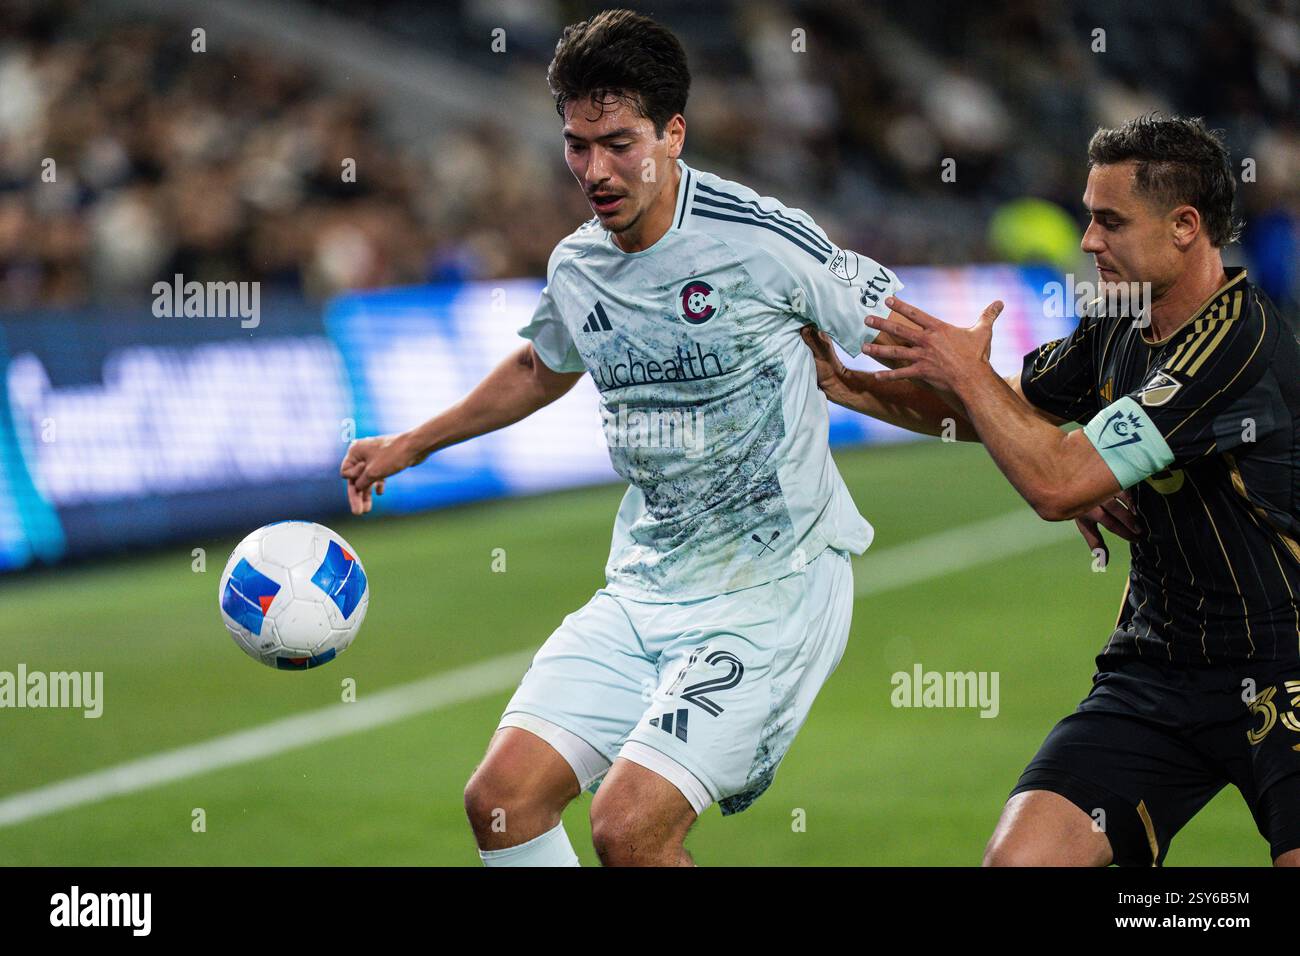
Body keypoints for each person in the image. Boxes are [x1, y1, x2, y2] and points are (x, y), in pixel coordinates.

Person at [339, 8, 903, 866]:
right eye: (576, 145)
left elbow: (916, 345)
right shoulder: (578, 265)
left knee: (628, 828)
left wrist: (1059, 457)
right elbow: (542, 367)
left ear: (674, 134)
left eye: (619, 142)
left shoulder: (762, 241)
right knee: (502, 802)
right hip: (644, 586)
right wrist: (412, 444)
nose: (595, 170)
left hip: (771, 588)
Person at [807, 113, 1300, 866]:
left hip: (1284, 664)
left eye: (1109, 221)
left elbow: (1057, 484)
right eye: (1086, 217)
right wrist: (850, 385)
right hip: (1160, 666)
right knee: (1021, 862)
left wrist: (975, 380)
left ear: (1184, 226)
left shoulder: (1239, 345)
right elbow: (996, 410)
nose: (1086, 242)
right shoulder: (1116, 325)